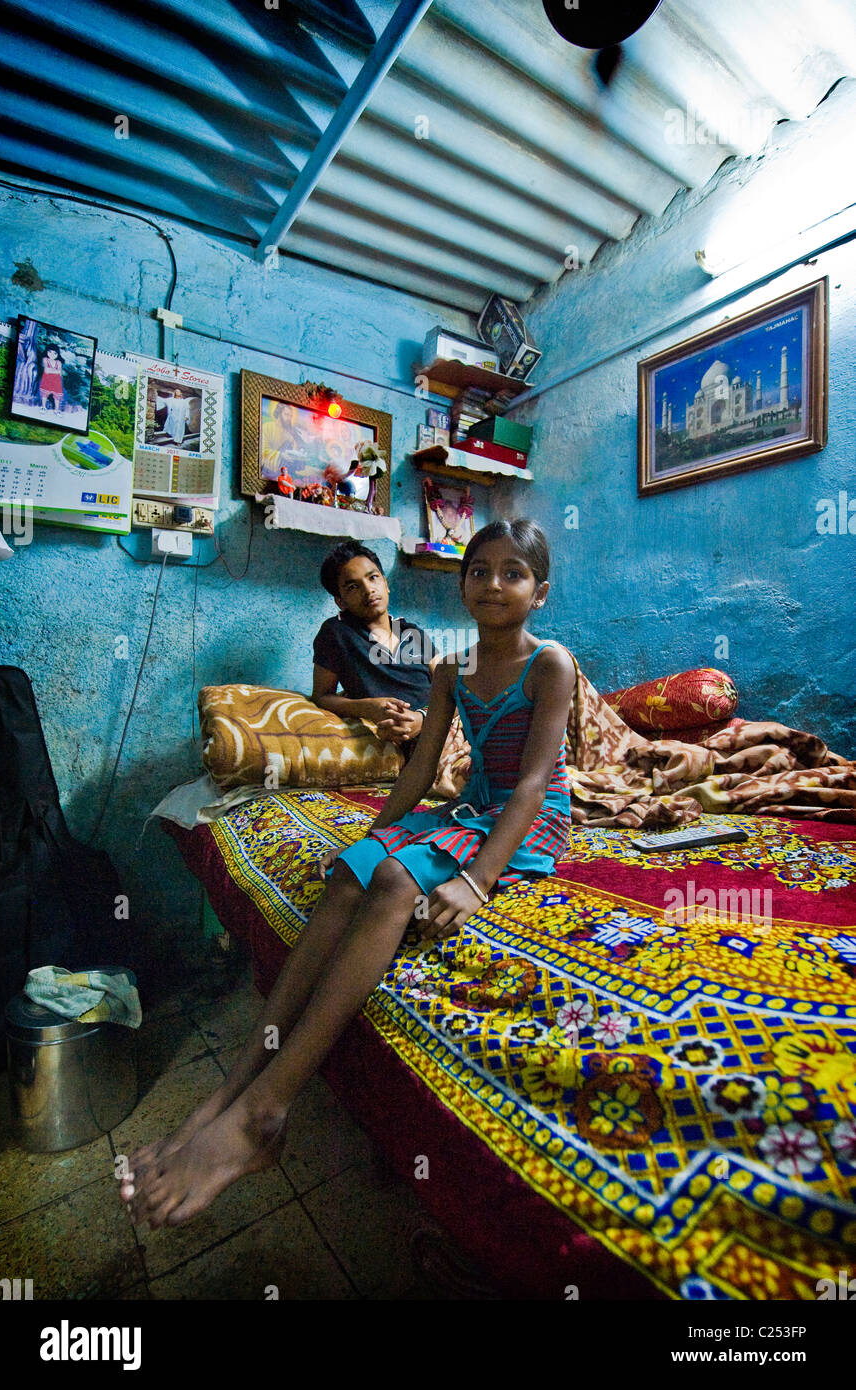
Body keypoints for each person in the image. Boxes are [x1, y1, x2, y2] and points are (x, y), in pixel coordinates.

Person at [119, 519, 575, 1228]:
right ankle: (233, 1088)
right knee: (353, 873)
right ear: (461, 584)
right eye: (478, 570)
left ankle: (267, 1111)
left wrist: (478, 879)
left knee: (394, 883)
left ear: (539, 592)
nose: (491, 583)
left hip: (527, 820)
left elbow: (533, 784)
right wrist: (371, 837)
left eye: (512, 573)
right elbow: (423, 769)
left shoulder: (551, 664)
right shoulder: (449, 669)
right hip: (472, 804)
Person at [312, 540, 438, 748]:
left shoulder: (412, 633)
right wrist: (367, 707)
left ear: (386, 585)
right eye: (353, 586)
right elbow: (322, 696)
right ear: (340, 601)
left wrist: (423, 718)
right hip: (404, 736)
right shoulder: (337, 633)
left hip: (435, 722)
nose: (368, 589)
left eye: (373, 578)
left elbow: (452, 689)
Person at [39, 347, 64, 411]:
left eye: (55, 353)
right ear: (46, 352)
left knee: (57, 397)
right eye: (50, 352)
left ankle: (56, 410)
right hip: (47, 381)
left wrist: (51, 370)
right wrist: (55, 370)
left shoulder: (59, 362)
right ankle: (43, 407)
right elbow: (46, 370)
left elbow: (60, 372)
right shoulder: (45, 359)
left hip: (56, 382)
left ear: (58, 354)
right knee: (44, 395)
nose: (52, 354)